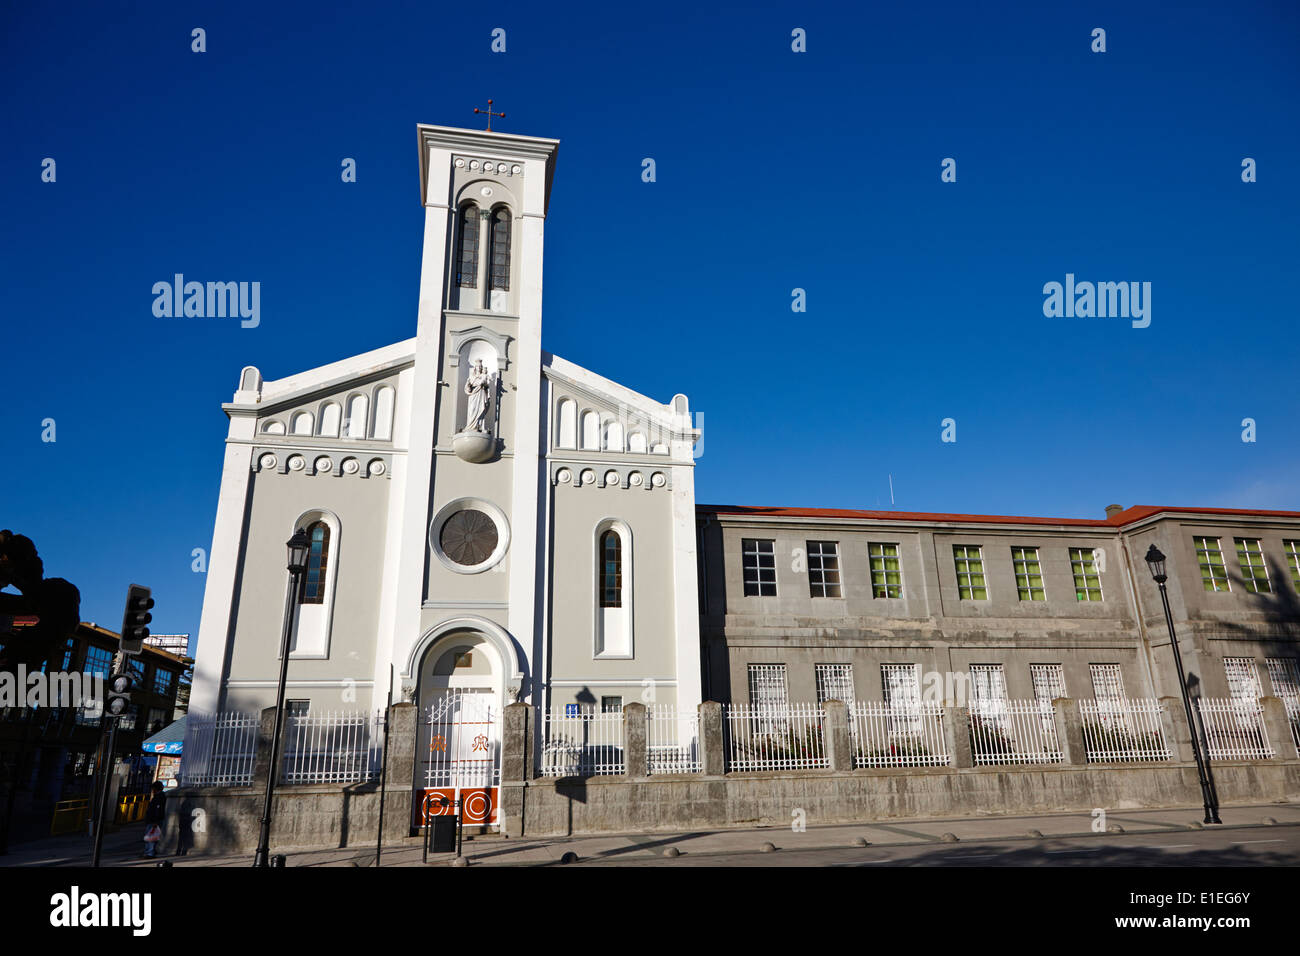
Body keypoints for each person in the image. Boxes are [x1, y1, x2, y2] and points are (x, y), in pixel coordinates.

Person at [142, 780, 166, 858]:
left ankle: (149, 852)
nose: (152, 790)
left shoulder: (158, 798)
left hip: (154, 820)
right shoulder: (160, 797)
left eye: (153, 789)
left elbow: (157, 809)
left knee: (151, 837)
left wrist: (155, 820)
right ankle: (149, 851)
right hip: (154, 820)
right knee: (151, 836)